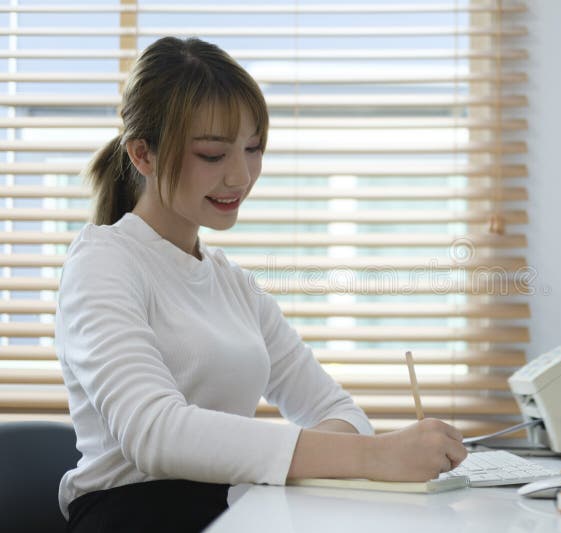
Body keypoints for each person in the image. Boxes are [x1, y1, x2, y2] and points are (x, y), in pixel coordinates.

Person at [55, 36, 467, 533]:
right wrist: (372, 456)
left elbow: (338, 410)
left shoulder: (233, 284)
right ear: (142, 154)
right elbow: (155, 434)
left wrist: (363, 450)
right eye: (212, 154)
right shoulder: (103, 262)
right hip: (133, 516)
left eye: (253, 149)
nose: (241, 176)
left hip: (233, 506)